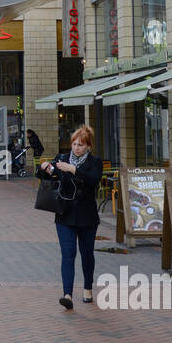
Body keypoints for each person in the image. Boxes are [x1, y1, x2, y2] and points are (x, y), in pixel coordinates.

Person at [37, 125, 103, 311]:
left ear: (88, 146)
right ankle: (67, 294)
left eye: (80, 145)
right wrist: (45, 168)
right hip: (64, 214)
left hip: (87, 217)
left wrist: (73, 170)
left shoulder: (94, 162)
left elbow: (93, 181)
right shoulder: (62, 158)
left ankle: (88, 288)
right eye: (74, 144)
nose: (76, 148)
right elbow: (43, 173)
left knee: (87, 253)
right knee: (68, 254)